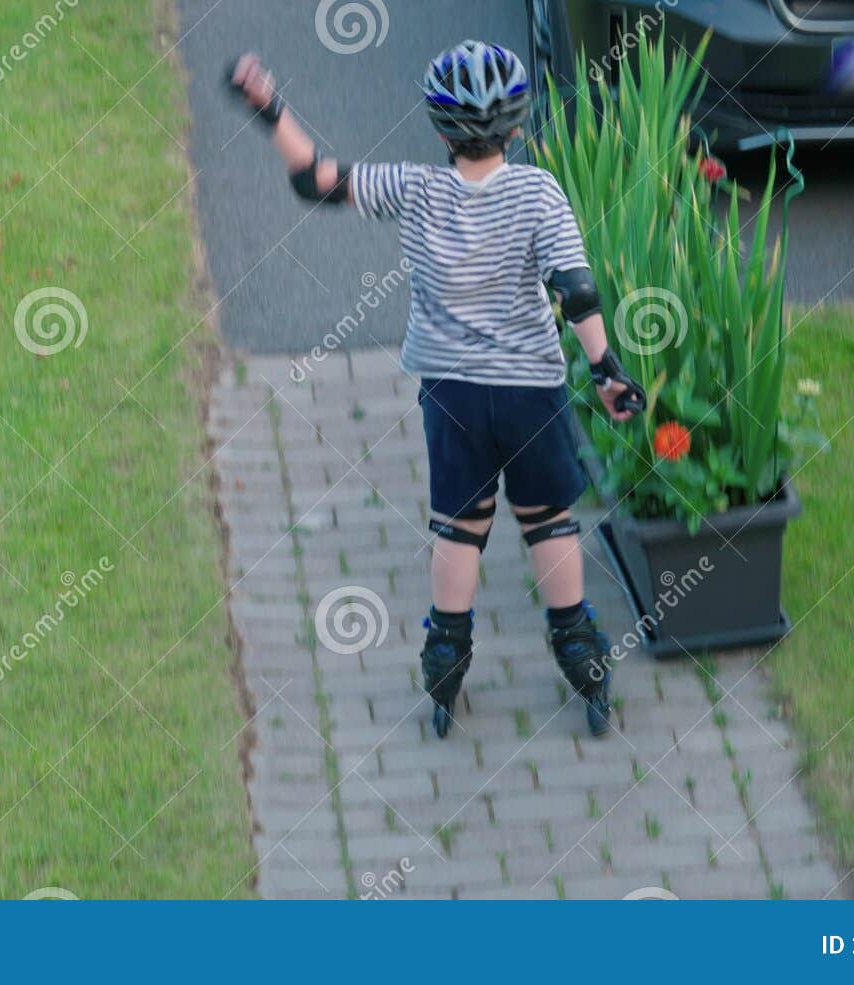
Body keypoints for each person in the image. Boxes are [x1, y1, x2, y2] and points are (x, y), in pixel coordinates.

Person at [229, 41, 645, 738]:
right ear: (516, 127)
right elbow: (575, 289)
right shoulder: (537, 192)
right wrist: (608, 372)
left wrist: (270, 107)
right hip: (529, 393)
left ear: (439, 126)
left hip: (451, 392)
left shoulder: (414, 189)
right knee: (548, 522)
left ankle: (446, 667)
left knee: (460, 525)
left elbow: (314, 181)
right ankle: (582, 661)